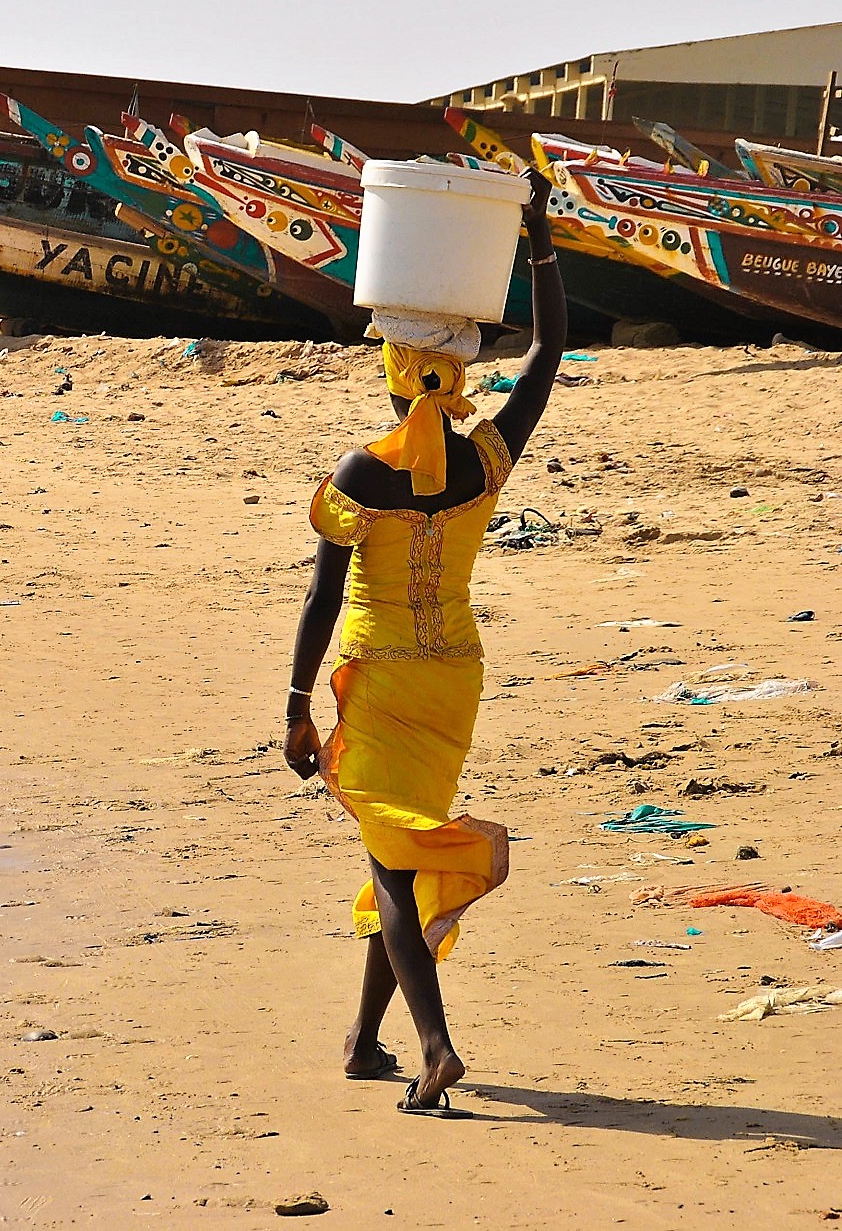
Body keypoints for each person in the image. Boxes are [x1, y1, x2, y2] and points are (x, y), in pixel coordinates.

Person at [282, 170, 564, 1118]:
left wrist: (293, 705)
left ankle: (435, 1047)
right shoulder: (486, 456)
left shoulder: (363, 470)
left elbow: (324, 595)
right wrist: (539, 236)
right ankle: (365, 1040)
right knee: (393, 853)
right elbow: (551, 350)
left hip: (378, 677)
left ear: (397, 367)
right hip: (454, 680)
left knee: (390, 863)